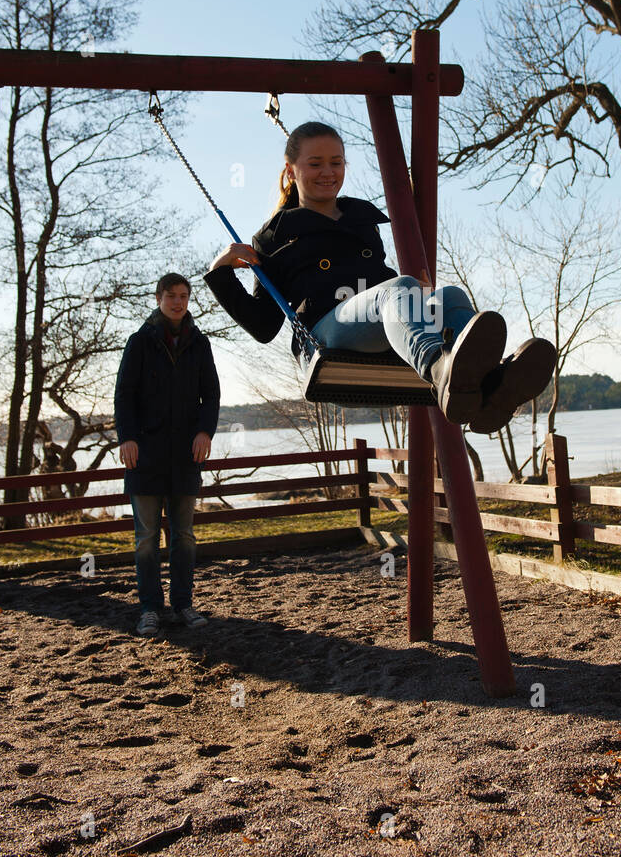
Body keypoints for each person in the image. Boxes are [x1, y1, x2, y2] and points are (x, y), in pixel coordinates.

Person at [203, 123, 555, 431]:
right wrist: (221, 272)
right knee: (400, 288)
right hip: (327, 333)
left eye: (336, 162)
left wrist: (414, 296)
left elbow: (377, 280)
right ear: (291, 170)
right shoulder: (275, 235)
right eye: (315, 163)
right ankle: (438, 369)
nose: (328, 172)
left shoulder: (362, 220)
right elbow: (263, 326)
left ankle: (490, 389)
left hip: (379, 321)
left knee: (451, 297)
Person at [114, 273, 221, 638]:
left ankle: (183, 604)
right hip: (144, 455)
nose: (178, 302)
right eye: (172, 296)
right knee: (146, 538)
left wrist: (205, 431)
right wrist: (126, 437)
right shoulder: (140, 342)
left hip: (185, 456)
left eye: (184, 296)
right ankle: (148, 609)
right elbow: (124, 395)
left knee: (184, 536)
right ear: (158, 297)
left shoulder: (200, 343)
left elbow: (212, 395)